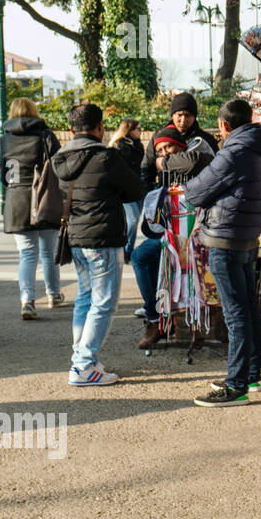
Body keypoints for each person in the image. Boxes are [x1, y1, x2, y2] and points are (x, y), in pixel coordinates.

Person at [184, 98, 261, 407]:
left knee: (236, 314)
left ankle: (236, 387)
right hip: (247, 237)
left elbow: (195, 192)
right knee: (248, 309)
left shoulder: (233, 152)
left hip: (225, 238)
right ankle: (250, 374)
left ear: (224, 125)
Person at [51, 102, 145, 386]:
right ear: (100, 127)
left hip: (75, 238)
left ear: (71, 129)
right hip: (102, 238)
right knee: (103, 303)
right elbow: (135, 190)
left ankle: (81, 357)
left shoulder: (60, 158)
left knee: (85, 298)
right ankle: (83, 366)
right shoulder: (106, 158)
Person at [131, 125, 212, 349]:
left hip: (198, 236)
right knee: (140, 257)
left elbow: (196, 159)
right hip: (171, 235)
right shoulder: (166, 172)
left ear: (182, 146)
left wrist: (162, 163)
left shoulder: (198, 157)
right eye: (160, 151)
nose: (165, 153)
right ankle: (156, 319)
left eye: (169, 147)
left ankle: (180, 321)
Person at [0, 97, 64, 319]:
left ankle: (27, 301)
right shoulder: (45, 134)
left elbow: (5, 175)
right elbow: (58, 165)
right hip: (43, 196)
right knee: (48, 251)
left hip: (17, 198)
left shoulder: (5, 139)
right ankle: (54, 294)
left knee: (27, 254)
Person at [140, 92, 218, 194]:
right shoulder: (158, 137)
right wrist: (150, 194)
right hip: (165, 196)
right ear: (172, 115)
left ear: (194, 116)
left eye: (188, 115)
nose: (183, 120)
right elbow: (146, 169)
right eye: (179, 115)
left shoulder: (205, 140)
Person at [108, 119, 144, 260]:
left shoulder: (138, 145)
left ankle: (128, 250)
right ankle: (126, 251)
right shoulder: (119, 146)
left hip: (139, 189)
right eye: (138, 129)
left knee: (133, 222)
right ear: (129, 130)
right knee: (133, 220)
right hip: (125, 191)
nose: (140, 131)